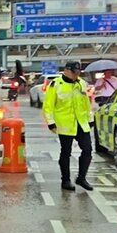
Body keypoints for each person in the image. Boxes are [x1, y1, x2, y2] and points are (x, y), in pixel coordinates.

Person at [43, 60, 95, 192]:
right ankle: (65, 180)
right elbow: (48, 106)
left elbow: (86, 103)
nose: (76, 75)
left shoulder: (81, 84)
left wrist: (90, 118)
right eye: (73, 72)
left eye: (78, 72)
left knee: (87, 150)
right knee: (66, 152)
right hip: (64, 124)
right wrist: (50, 122)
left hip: (81, 123)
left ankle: (81, 178)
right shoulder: (56, 85)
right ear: (66, 70)